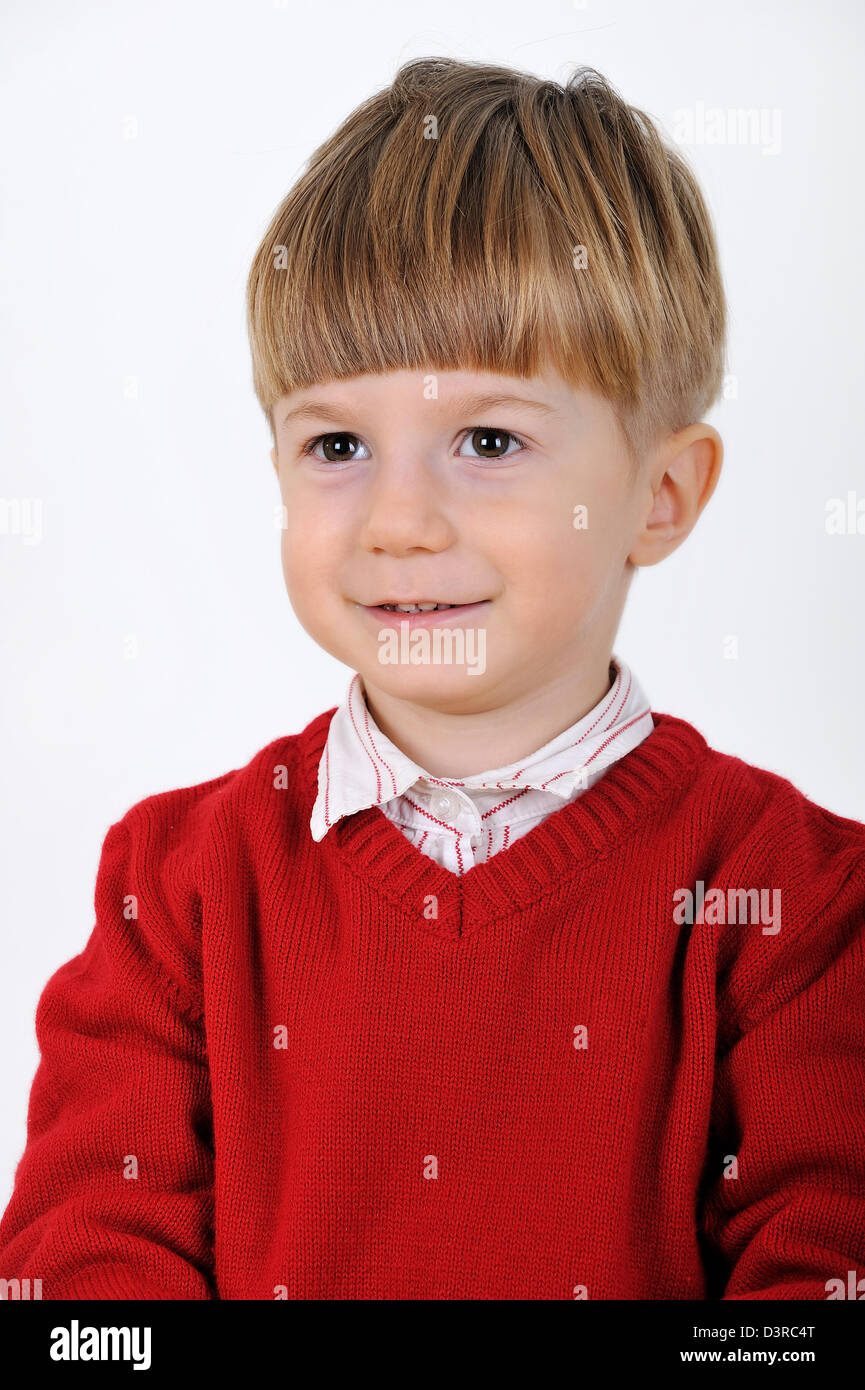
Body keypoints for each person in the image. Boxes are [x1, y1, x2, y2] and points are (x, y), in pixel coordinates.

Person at [1, 57, 863, 1301]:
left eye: (489, 440)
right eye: (337, 444)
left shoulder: (792, 902)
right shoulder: (175, 894)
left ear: (661, 495)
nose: (398, 519)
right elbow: (82, 1292)